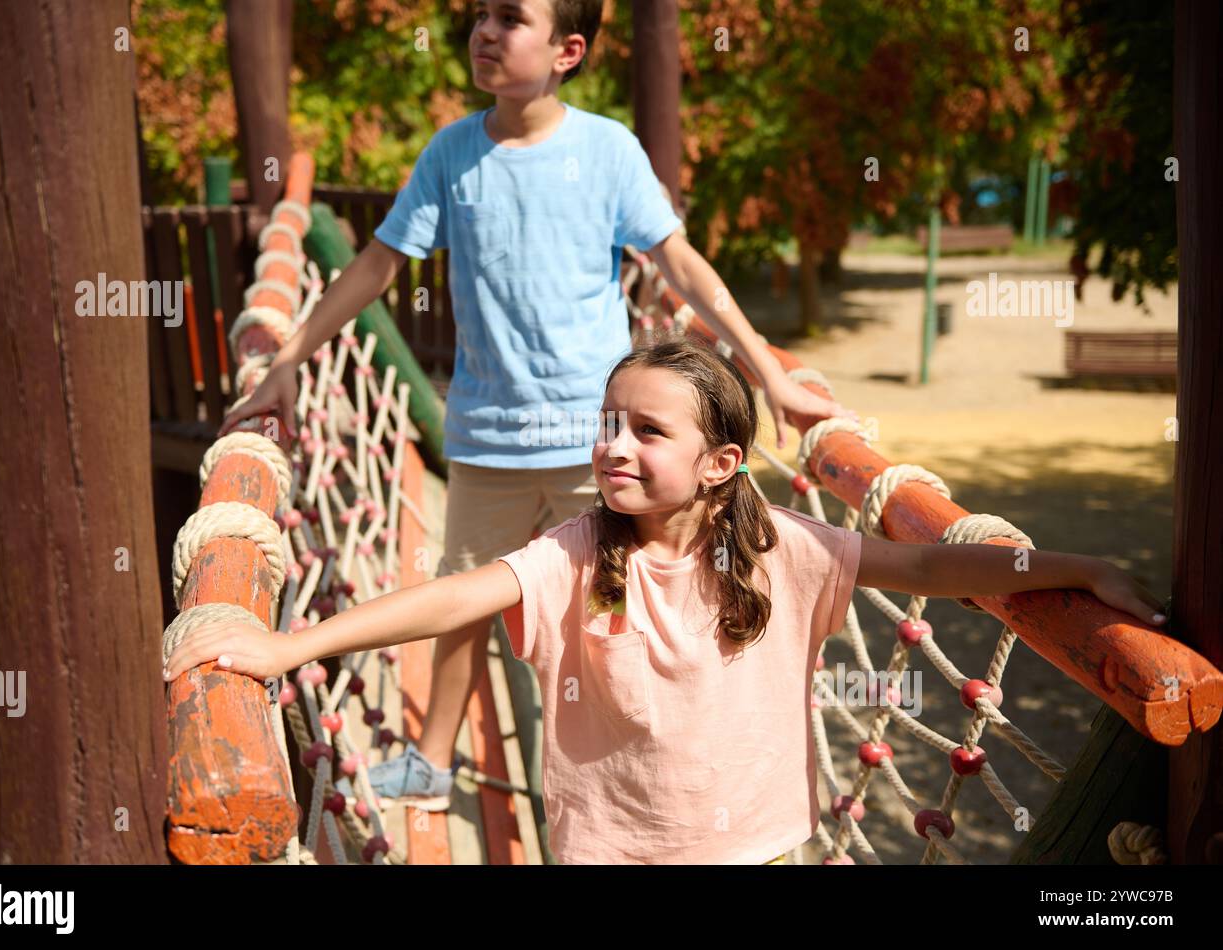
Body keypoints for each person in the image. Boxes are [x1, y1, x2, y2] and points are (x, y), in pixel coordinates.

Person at [167, 339, 1168, 864]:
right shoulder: (574, 549)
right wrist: (295, 647)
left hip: (751, 848)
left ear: (721, 464)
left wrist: (1074, 567)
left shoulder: (786, 552)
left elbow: (935, 570)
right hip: (609, 850)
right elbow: (451, 598)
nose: (614, 446)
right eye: (610, 424)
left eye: (647, 431)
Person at [214, 0, 851, 809]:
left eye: (510, 18)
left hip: (604, 443)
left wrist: (766, 371)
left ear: (566, 50)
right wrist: (288, 361)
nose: (485, 30)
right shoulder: (452, 154)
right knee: (460, 604)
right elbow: (374, 266)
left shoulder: (607, 150)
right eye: (480, 15)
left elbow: (680, 264)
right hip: (488, 436)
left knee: (622, 610)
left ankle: (650, 775)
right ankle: (432, 763)